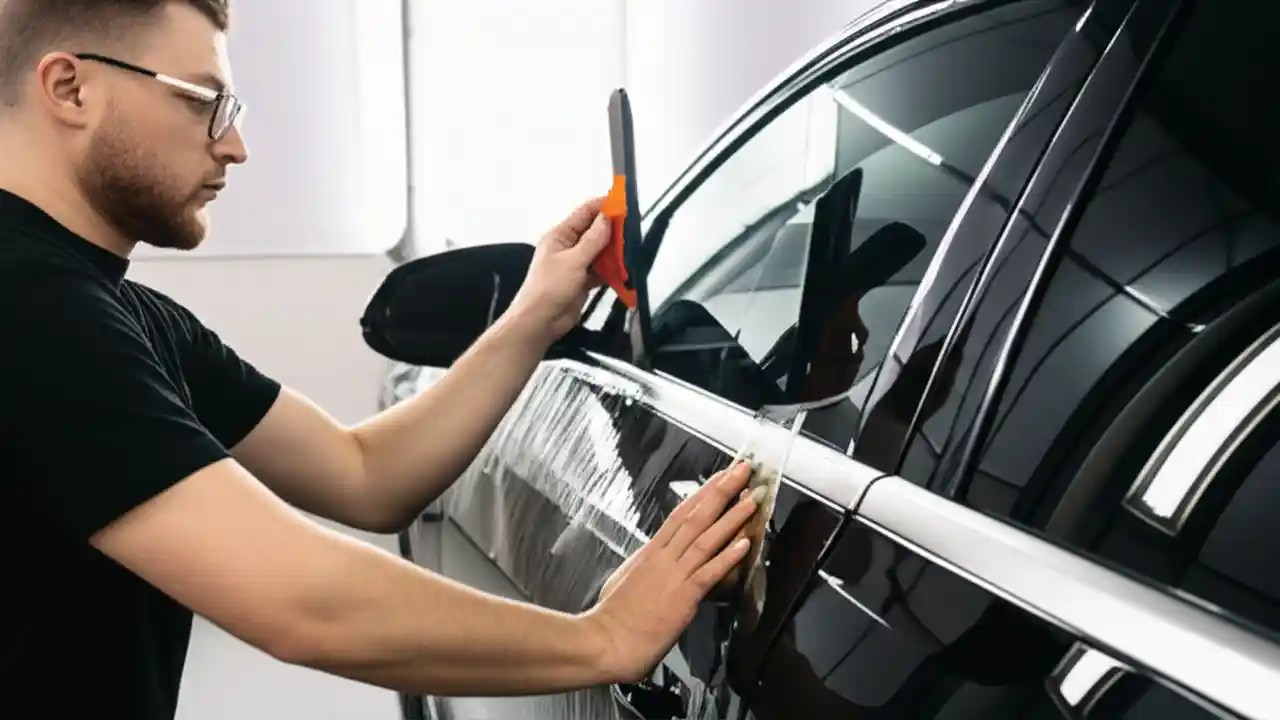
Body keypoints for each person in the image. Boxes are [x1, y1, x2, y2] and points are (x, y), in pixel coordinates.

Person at [0, 1, 762, 718]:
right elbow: (301, 600)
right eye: (206, 101)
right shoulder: (32, 307)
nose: (235, 144)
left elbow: (365, 473)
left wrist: (537, 315)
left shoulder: (119, 314)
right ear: (70, 87)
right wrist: (604, 639)